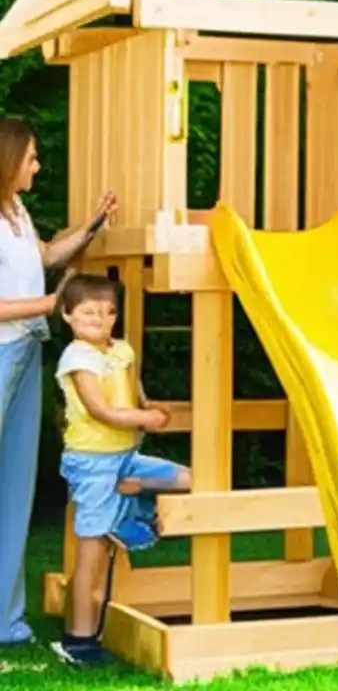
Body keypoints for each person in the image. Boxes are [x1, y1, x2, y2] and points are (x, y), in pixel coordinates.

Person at [0, 117, 116, 648]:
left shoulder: (17, 213)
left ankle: (6, 621)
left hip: (26, 352)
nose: (37, 165)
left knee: (15, 490)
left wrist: (91, 226)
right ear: (9, 160)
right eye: (31, 158)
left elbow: (45, 256)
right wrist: (52, 304)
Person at [50, 274, 191, 666]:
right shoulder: (77, 358)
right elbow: (102, 410)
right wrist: (145, 418)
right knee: (91, 556)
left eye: (108, 311)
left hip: (126, 458)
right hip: (92, 463)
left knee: (191, 481)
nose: (100, 318)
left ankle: (131, 508)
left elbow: (134, 390)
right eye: (89, 312)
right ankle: (77, 642)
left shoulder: (122, 350)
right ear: (67, 314)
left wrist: (149, 407)